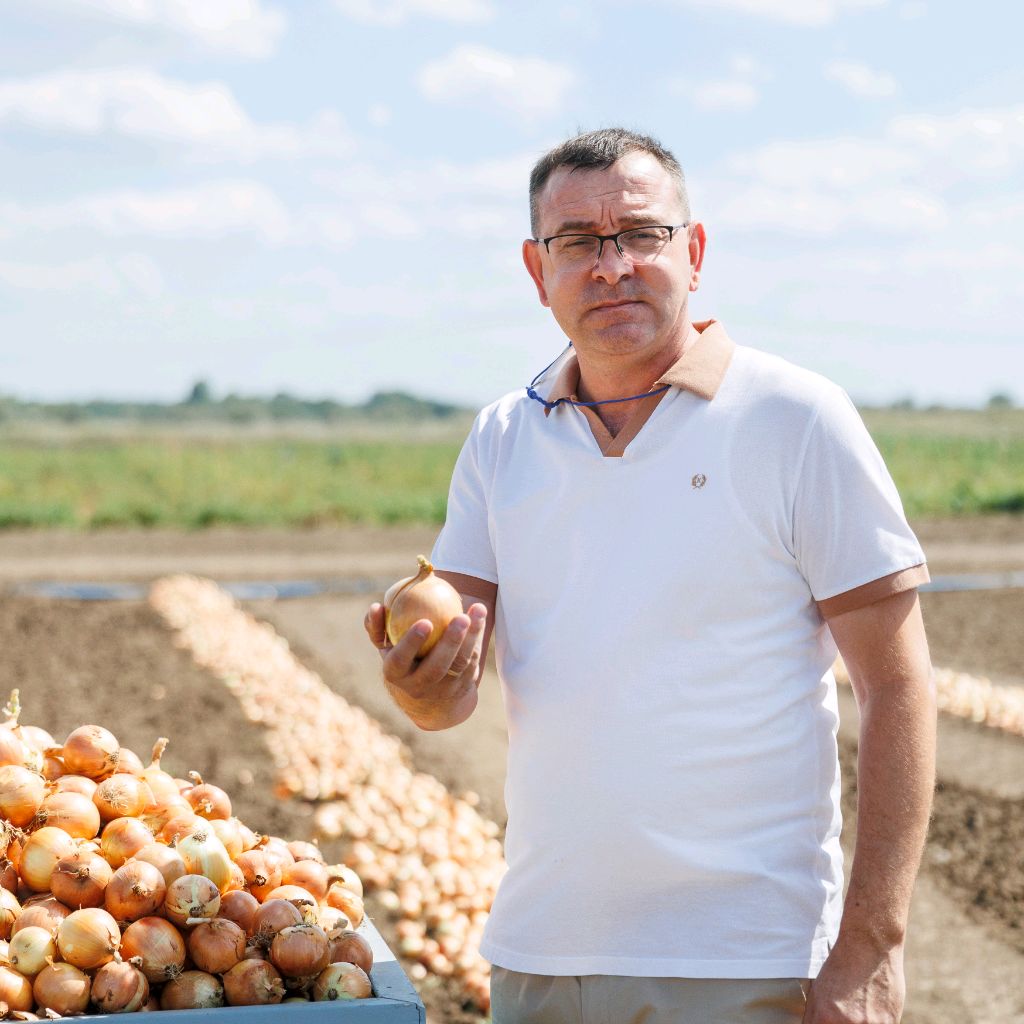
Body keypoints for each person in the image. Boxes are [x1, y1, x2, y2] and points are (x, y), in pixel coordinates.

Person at [364, 128, 936, 1024]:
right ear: (536, 268)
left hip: (746, 960)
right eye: (578, 242)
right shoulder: (503, 438)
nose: (611, 265)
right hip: (542, 955)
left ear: (695, 251)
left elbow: (898, 686)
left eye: (641, 234)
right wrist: (419, 684)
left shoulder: (796, 419)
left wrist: (871, 943)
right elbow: (449, 698)